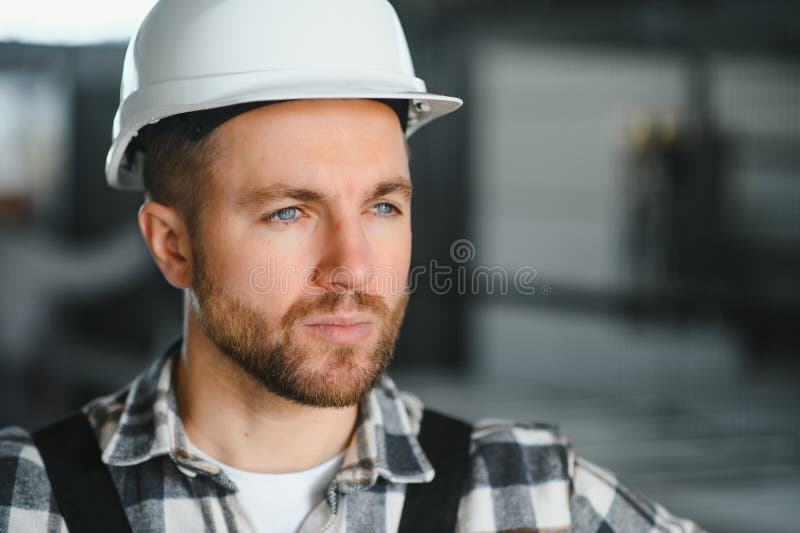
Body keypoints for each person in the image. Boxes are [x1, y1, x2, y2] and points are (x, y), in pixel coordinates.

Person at [0, 1, 704, 531]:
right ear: (171, 245)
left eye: (382, 206)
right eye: (290, 212)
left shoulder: (535, 497)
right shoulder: (27, 500)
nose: (355, 267)